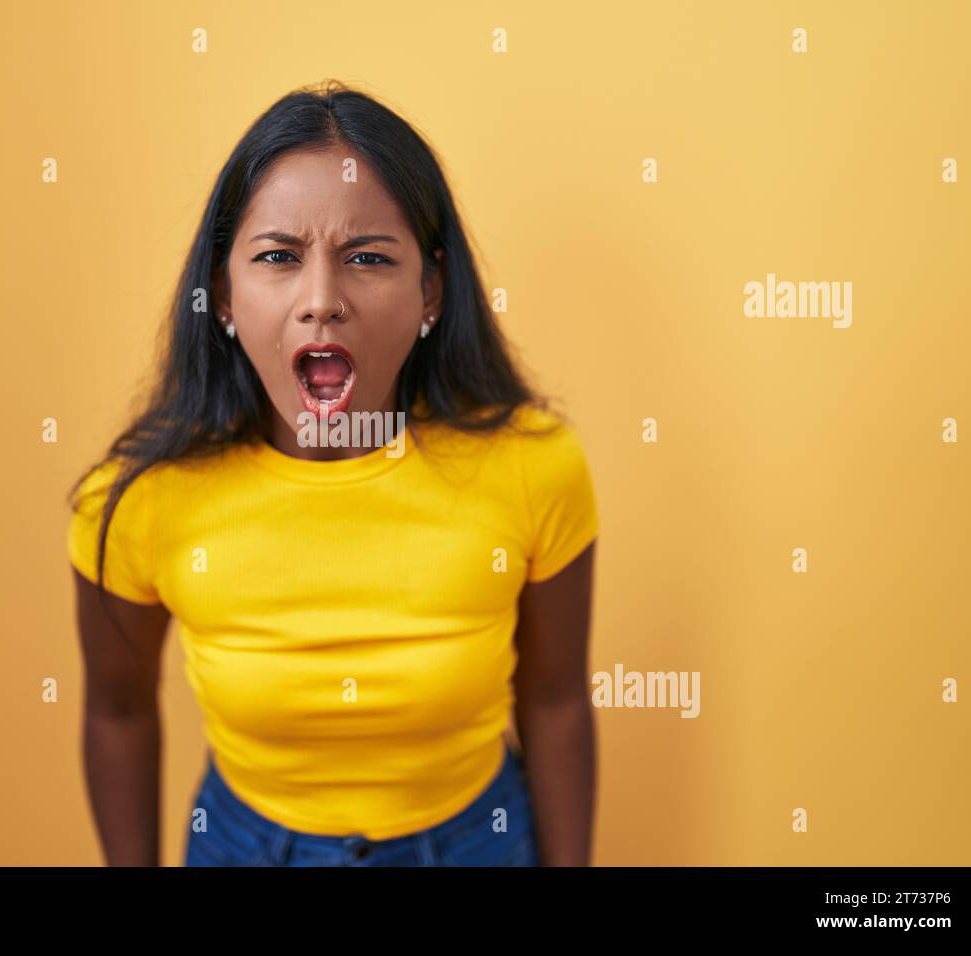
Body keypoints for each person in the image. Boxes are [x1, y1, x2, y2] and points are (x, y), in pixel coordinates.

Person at [67, 81, 599, 866]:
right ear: (221, 293)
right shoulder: (138, 500)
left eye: (368, 258)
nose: (322, 300)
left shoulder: (534, 465)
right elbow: (116, 712)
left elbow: (556, 703)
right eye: (278, 257)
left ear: (431, 291)